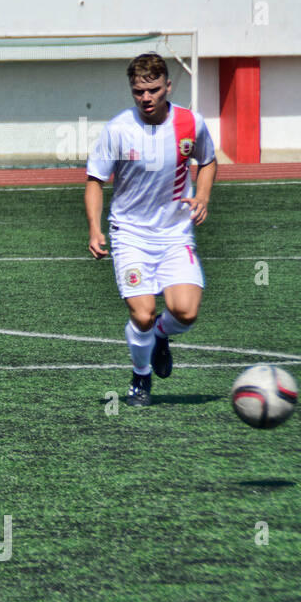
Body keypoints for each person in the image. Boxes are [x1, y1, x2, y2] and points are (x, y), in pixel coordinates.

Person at [85, 52, 217, 407]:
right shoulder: (118, 128)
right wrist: (95, 229)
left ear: (168, 87)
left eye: (153, 90)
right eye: (138, 91)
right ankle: (140, 377)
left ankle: (162, 335)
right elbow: (95, 180)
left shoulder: (191, 123)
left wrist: (202, 195)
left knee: (186, 312)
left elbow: (207, 161)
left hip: (175, 234)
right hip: (130, 234)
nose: (146, 98)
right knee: (142, 313)